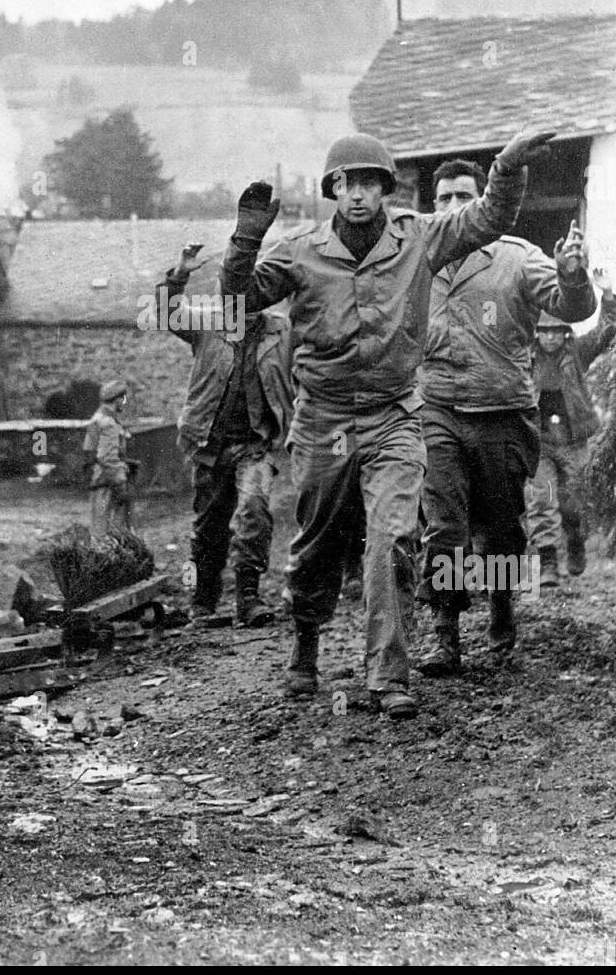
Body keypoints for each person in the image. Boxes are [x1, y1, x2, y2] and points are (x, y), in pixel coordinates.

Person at [220, 127, 553, 718]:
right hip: (323, 419)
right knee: (316, 542)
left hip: (395, 414)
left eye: (369, 182)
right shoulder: (300, 252)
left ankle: (387, 673)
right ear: (333, 189)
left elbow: (488, 216)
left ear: (386, 189)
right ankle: (305, 642)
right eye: (345, 183)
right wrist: (247, 239)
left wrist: (507, 167)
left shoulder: (420, 239)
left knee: (393, 537)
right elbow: (238, 303)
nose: (357, 195)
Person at [417, 159, 596, 677]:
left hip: (504, 414)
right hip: (438, 409)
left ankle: (501, 603)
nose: (454, 208)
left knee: (501, 526)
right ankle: (444, 634)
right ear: (434, 206)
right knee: (444, 523)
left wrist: (571, 274)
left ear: (483, 200)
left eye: (464, 197)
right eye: (444, 198)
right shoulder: (417, 261)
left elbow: (571, 307)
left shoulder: (517, 258)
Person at [159, 240, 294, 626]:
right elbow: (167, 313)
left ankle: (249, 598)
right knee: (208, 526)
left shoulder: (281, 331)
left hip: (254, 445)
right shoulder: (207, 323)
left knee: (254, 511)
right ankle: (203, 602)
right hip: (208, 443)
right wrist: (180, 273)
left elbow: (320, 330)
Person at [524, 268, 616, 588]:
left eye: (556, 331)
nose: (550, 337)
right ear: (536, 333)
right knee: (542, 498)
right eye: (544, 331)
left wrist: (606, 295)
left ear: (565, 333)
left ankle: (575, 540)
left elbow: (606, 332)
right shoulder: (525, 359)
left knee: (574, 500)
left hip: (574, 440)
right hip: (540, 443)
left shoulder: (578, 352)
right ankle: (548, 561)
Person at [83, 380, 136, 539]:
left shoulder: (97, 418)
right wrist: (121, 483)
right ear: (117, 399)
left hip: (99, 479)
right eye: (124, 399)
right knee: (113, 531)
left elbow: (89, 450)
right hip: (109, 482)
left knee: (100, 526)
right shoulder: (108, 423)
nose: (124, 403)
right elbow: (107, 458)